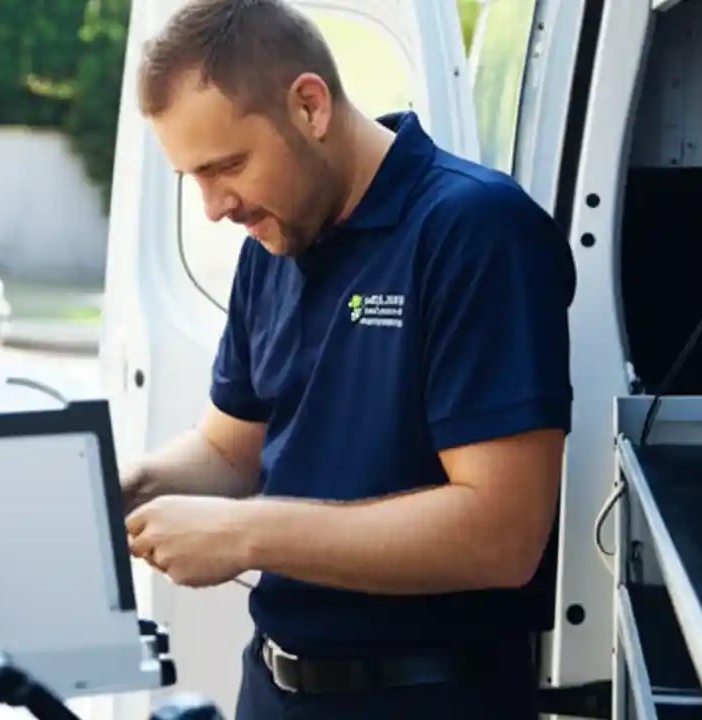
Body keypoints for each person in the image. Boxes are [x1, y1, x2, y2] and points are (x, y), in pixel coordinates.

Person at [121, 0, 576, 717]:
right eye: (192, 179)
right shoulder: (272, 243)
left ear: (309, 105)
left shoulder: (476, 230)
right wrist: (132, 485)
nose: (213, 206)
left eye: (227, 166)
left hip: (428, 697)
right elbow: (230, 449)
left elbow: (501, 535)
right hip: (273, 686)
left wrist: (243, 534)